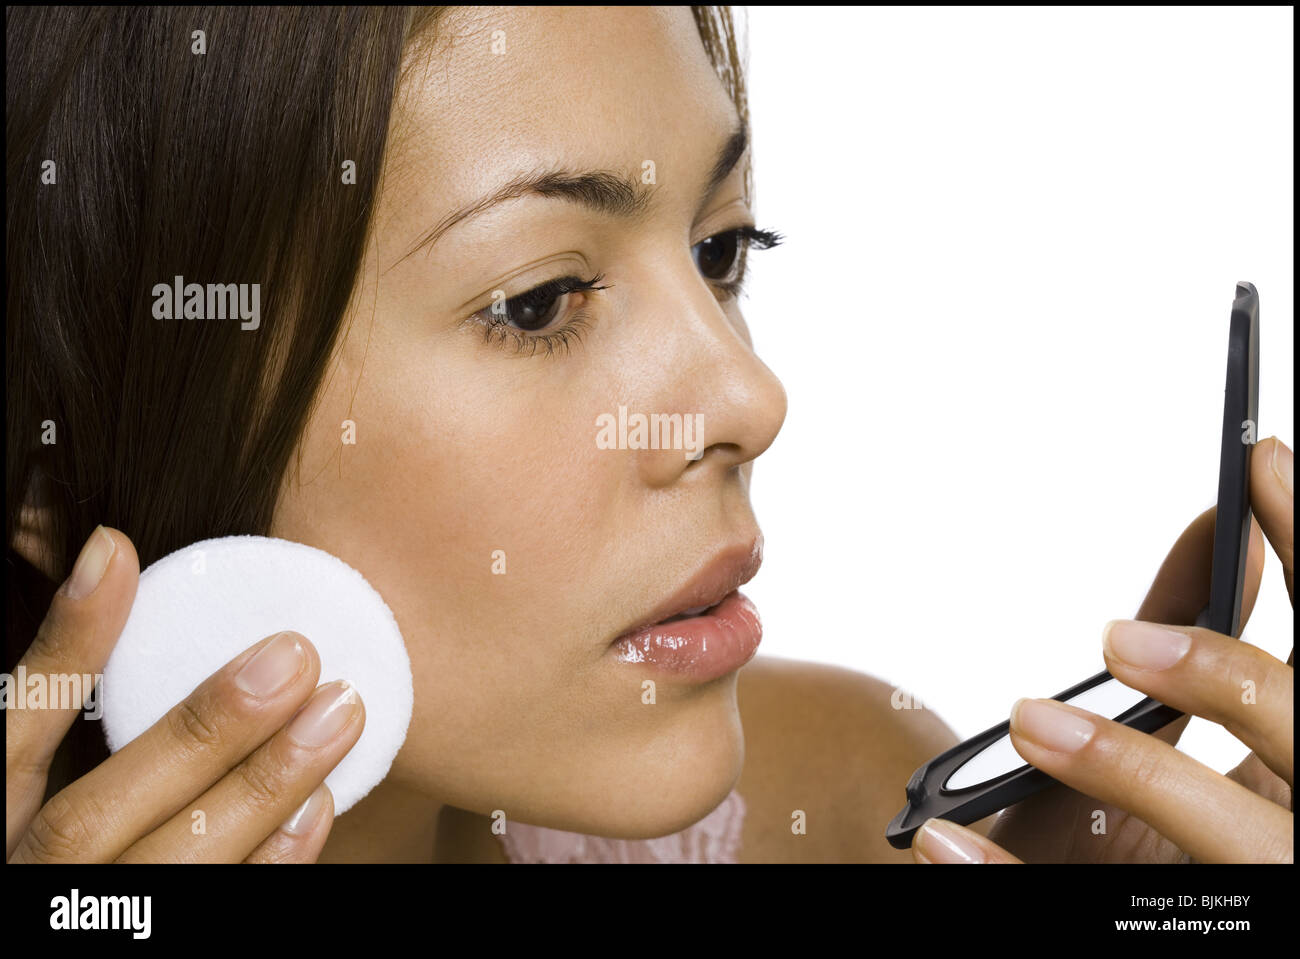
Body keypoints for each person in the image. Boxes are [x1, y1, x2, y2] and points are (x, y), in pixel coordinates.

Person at [6, 6, 1291, 864]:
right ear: (45, 471)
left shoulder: (847, 810)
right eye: (540, 301)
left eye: (719, 248)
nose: (749, 398)